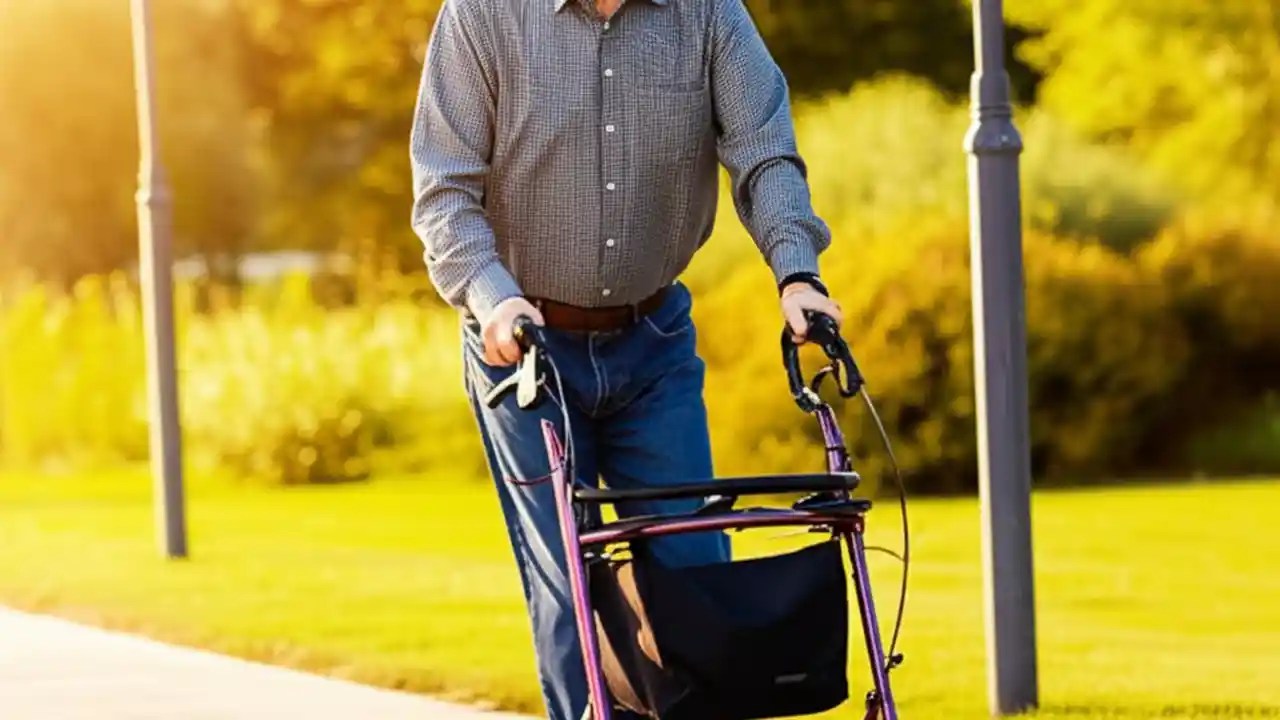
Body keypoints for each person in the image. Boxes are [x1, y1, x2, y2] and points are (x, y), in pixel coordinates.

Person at [409, 0, 841, 717]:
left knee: (693, 571)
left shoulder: (707, 16)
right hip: (525, 352)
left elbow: (764, 149)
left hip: (655, 343)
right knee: (568, 581)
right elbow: (444, 194)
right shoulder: (483, 16)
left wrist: (798, 274)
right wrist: (494, 299)